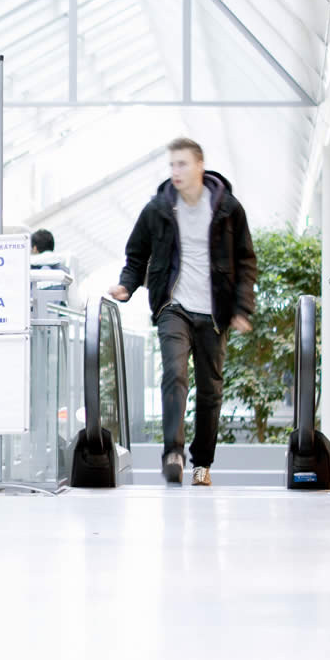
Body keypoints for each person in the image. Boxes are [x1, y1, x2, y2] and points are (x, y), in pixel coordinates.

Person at [109, 137, 256, 486]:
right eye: (172, 164)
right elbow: (137, 253)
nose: (175, 171)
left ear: (199, 166)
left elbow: (246, 261)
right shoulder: (157, 209)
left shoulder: (227, 209)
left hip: (215, 311)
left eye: (182, 164)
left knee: (210, 391)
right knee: (174, 374)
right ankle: (173, 453)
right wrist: (127, 285)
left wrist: (241, 307)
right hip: (172, 305)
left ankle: (202, 464)